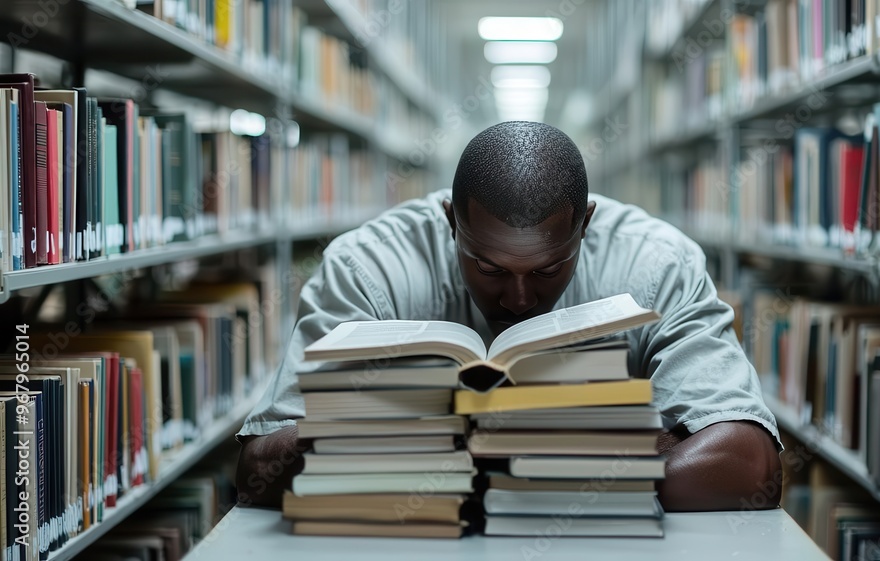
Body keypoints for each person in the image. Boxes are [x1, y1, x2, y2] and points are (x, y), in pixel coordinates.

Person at [235, 121, 782, 511]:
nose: (519, 300)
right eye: (488, 267)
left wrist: (568, 456)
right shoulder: (366, 268)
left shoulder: (658, 265)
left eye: (548, 269)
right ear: (451, 221)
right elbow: (257, 473)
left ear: (585, 225)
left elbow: (751, 466)